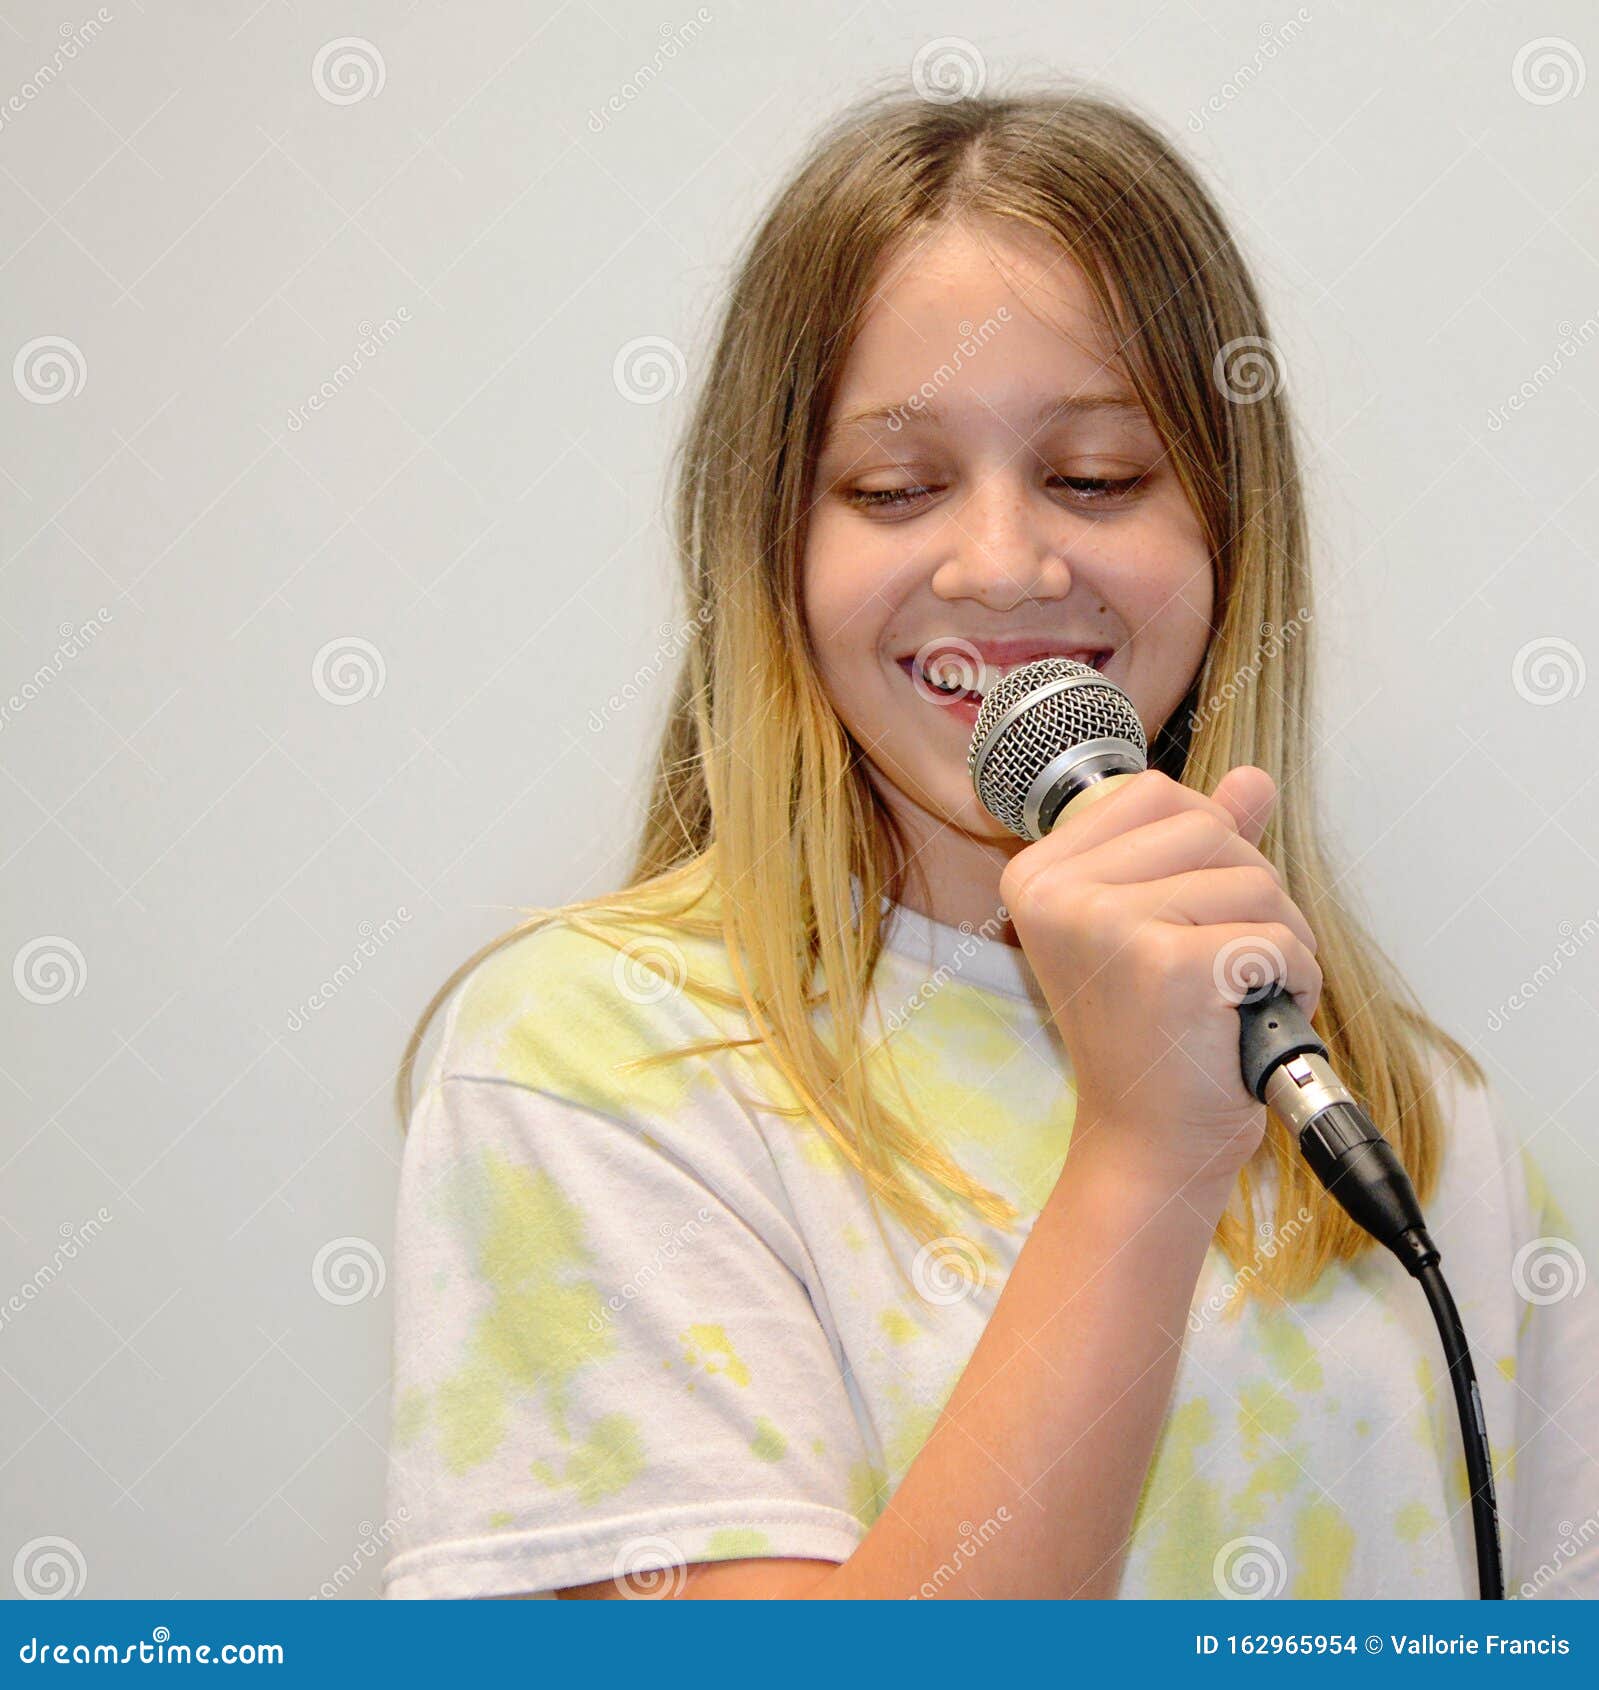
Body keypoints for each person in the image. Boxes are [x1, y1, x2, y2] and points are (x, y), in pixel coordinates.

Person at [379, 83, 1598, 1601]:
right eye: (895, 488)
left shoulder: (1409, 1120)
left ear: (1227, 532)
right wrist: (1145, 1162)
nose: (1006, 560)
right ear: (773, 549)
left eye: (1097, 477)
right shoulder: (595, 1062)